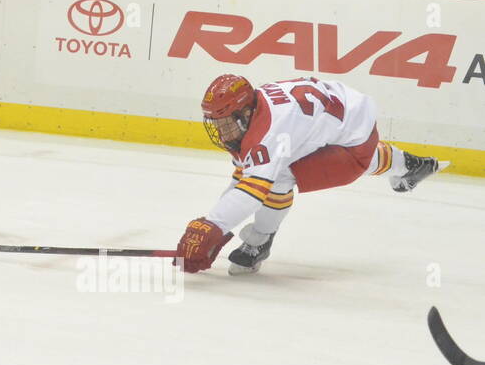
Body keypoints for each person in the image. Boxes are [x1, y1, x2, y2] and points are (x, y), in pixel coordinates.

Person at [176, 74, 446, 275]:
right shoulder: (258, 112)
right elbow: (244, 179)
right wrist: (214, 226)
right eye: (216, 123)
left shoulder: (269, 131)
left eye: (225, 123)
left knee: (279, 177)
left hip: (352, 141)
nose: (222, 132)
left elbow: (252, 190)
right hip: (346, 118)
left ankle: (260, 241)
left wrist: (212, 226)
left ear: (245, 113)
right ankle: (410, 165)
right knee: (277, 166)